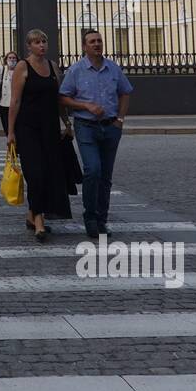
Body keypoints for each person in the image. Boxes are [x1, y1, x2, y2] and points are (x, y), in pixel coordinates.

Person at [58, 29, 134, 239]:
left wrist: (120, 120)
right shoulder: (76, 70)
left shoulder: (113, 68)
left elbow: (125, 92)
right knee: (93, 169)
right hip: (86, 126)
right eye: (92, 41)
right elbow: (63, 98)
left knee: (106, 176)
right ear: (84, 46)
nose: (97, 44)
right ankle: (90, 217)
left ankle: (102, 220)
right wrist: (85, 106)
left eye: (99, 41)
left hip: (111, 127)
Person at [6, 30, 74, 242]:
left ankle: (31, 214)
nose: (42, 45)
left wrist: (67, 123)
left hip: (49, 127)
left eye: (44, 41)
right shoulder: (22, 67)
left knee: (49, 173)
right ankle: (39, 222)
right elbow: (15, 102)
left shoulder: (53, 66)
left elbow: (58, 99)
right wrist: (10, 132)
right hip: (27, 128)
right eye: (37, 42)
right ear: (29, 46)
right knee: (35, 173)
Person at [0, 51, 18, 134]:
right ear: (6, 59)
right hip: (4, 103)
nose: (12, 60)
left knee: (16, 128)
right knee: (7, 128)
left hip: (16, 104)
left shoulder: (20, 69)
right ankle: (11, 146)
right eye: (10, 58)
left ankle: (16, 146)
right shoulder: (2, 69)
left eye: (14, 58)